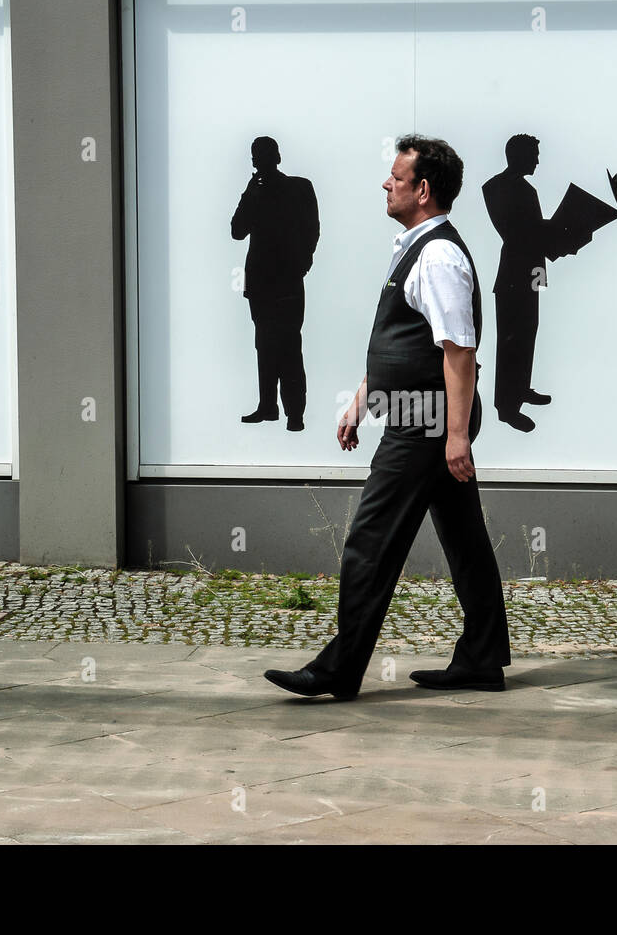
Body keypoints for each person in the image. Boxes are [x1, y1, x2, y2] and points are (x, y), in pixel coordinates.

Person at [264, 135, 511, 700]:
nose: (386, 184)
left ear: (422, 190)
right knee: (465, 539)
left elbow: (458, 350)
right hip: (417, 416)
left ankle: (339, 668)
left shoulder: (440, 256)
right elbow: (407, 342)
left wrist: (454, 435)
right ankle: (482, 657)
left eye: (396, 178)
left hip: (425, 423)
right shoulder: (415, 247)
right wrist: (362, 398)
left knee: (370, 540)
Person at [231, 136, 320, 431]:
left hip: (283, 280)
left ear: (275, 157)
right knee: (268, 345)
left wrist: (303, 262)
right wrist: (248, 195)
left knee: (286, 345)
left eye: (260, 156)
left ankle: (293, 413)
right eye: (255, 157)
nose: (258, 163)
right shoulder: (261, 193)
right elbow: (237, 231)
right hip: (265, 282)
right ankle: (271, 406)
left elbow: (311, 229)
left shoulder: (298, 187)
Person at [482, 134, 558, 432]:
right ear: (520, 155)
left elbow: (531, 231)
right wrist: (563, 228)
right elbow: (522, 232)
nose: (537, 161)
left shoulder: (523, 189)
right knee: (512, 337)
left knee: (527, 332)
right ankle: (506, 406)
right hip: (515, 272)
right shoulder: (501, 188)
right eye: (534, 154)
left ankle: (521, 389)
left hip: (528, 272)